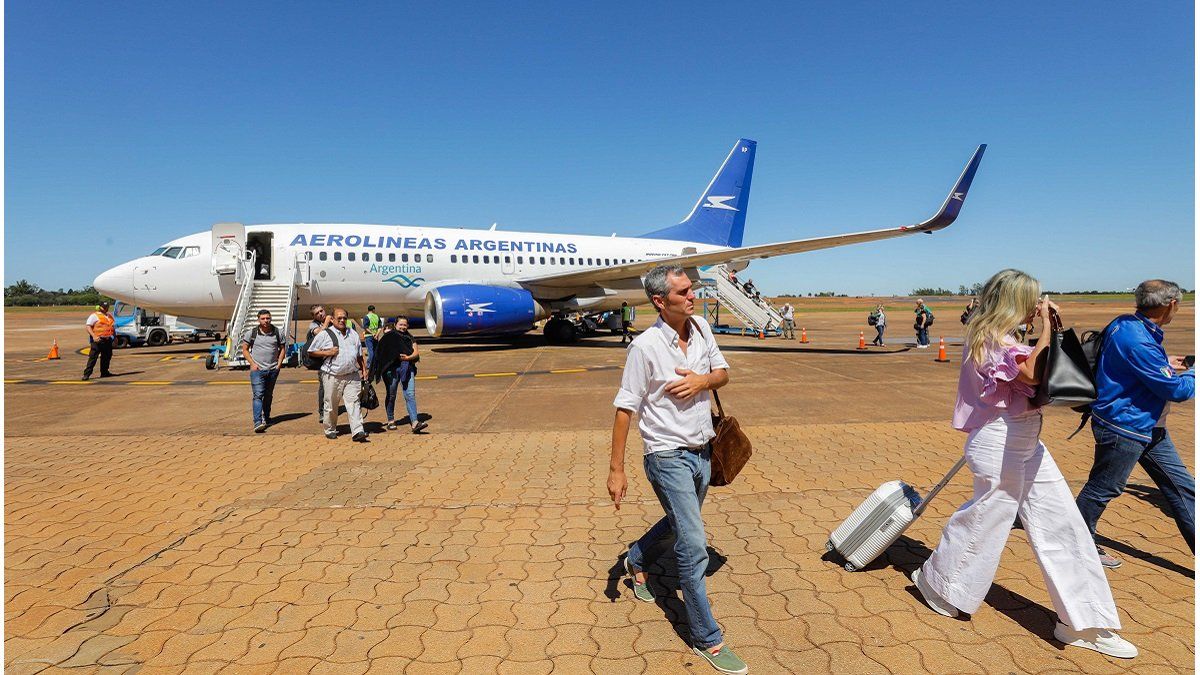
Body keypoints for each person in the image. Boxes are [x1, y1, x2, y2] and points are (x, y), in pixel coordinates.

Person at [912, 269, 1136, 659]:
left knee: (1062, 523)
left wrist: (1046, 329)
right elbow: (1031, 373)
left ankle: (1083, 622)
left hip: (1022, 440)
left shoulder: (1006, 336)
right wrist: (1049, 327)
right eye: (1033, 300)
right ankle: (942, 587)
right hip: (1000, 443)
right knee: (985, 522)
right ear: (1015, 300)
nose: (1038, 306)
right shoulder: (989, 336)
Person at [608, 264, 747, 674]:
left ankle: (636, 559)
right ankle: (707, 638)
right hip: (665, 455)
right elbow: (624, 410)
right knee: (693, 542)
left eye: (693, 289)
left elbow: (723, 374)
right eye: (684, 291)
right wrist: (616, 469)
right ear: (659, 301)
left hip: (704, 451)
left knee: (678, 523)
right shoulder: (646, 347)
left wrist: (702, 382)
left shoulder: (702, 327)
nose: (693, 295)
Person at [1074, 279, 1195, 569]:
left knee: (1182, 488)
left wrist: (1163, 362)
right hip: (1124, 427)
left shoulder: (1125, 324)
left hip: (1147, 426)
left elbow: (1129, 358)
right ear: (1171, 305)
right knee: (1103, 488)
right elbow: (1176, 390)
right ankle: (1077, 542)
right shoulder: (1139, 341)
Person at [307, 307, 369, 442]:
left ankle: (358, 431)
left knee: (354, 403)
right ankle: (330, 429)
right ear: (333, 319)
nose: (342, 320)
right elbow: (311, 351)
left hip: (352, 375)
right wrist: (327, 353)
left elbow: (359, 354)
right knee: (331, 405)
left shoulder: (353, 333)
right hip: (332, 376)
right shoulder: (325, 334)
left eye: (344, 318)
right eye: (339, 318)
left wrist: (364, 369)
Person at [371, 317, 429, 433]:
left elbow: (416, 353)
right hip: (391, 371)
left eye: (405, 325)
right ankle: (391, 420)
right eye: (400, 325)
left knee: (410, 395)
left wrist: (408, 358)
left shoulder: (410, 337)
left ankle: (415, 422)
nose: (403, 327)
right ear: (395, 325)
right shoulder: (389, 337)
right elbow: (380, 352)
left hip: (407, 368)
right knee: (391, 395)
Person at [240, 309, 287, 433]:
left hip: (272, 370)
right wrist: (252, 364)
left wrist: (279, 365)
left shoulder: (278, 332)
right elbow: (244, 349)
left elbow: (282, 349)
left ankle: (267, 417)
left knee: (268, 395)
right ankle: (257, 422)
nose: (266, 321)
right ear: (258, 319)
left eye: (268, 318)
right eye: (263, 318)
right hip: (257, 370)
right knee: (258, 395)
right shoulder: (252, 333)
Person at [306, 305, 333, 421]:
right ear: (314, 316)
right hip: (322, 360)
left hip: (335, 359)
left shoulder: (333, 322)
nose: (321, 314)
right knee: (323, 386)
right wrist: (327, 322)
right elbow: (320, 334)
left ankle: (332, 409)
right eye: (317, 313)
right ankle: (322, 412)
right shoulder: (314, 325)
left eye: (321, 311)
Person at [82, 301, 116, 380]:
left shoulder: (109, 316)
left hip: (107, 339)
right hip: (98, 340)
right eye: (104, 307)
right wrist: (94, 336)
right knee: (93, 357)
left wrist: (115, 337)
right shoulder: (94, 316)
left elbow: (112, 327)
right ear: (99, 307)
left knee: (107, 356)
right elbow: (88, 326)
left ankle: (104, 372)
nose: (105, 308)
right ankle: (87, 374)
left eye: (107, 307)